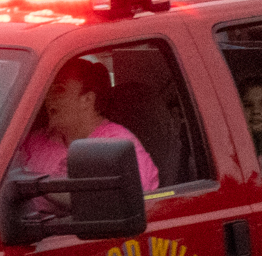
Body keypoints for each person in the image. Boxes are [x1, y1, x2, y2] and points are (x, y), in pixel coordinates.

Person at [14, 57, 159, 193]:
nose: (48, 97)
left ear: (88, 99)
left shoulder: (117, 145)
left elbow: (133, 202)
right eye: (48, 89)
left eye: (59, 89)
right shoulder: (35, 141)